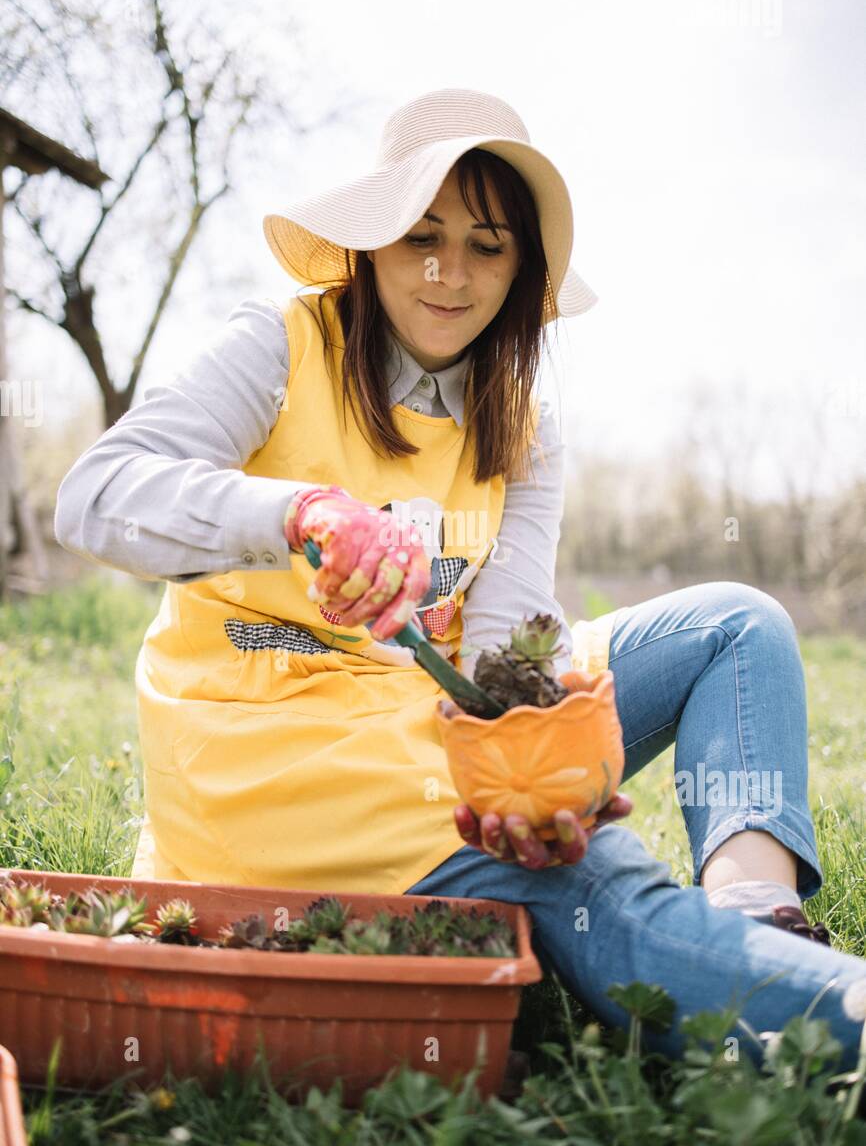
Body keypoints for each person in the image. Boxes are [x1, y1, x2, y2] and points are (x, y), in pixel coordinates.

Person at [54, 87, 866, 1069]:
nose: (449, 273)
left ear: (522, 267)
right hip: (274, 751)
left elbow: (504, 638)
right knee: (599, 883)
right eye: (419, 236)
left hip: (424, 710)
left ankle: (759, 927)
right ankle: (808, 1009)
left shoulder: (521, 421)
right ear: (371, 244)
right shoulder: (278, 345)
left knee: (735, 625)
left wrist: (539, 757)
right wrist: (298, 513)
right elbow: (95, 497)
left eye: (487, 244)